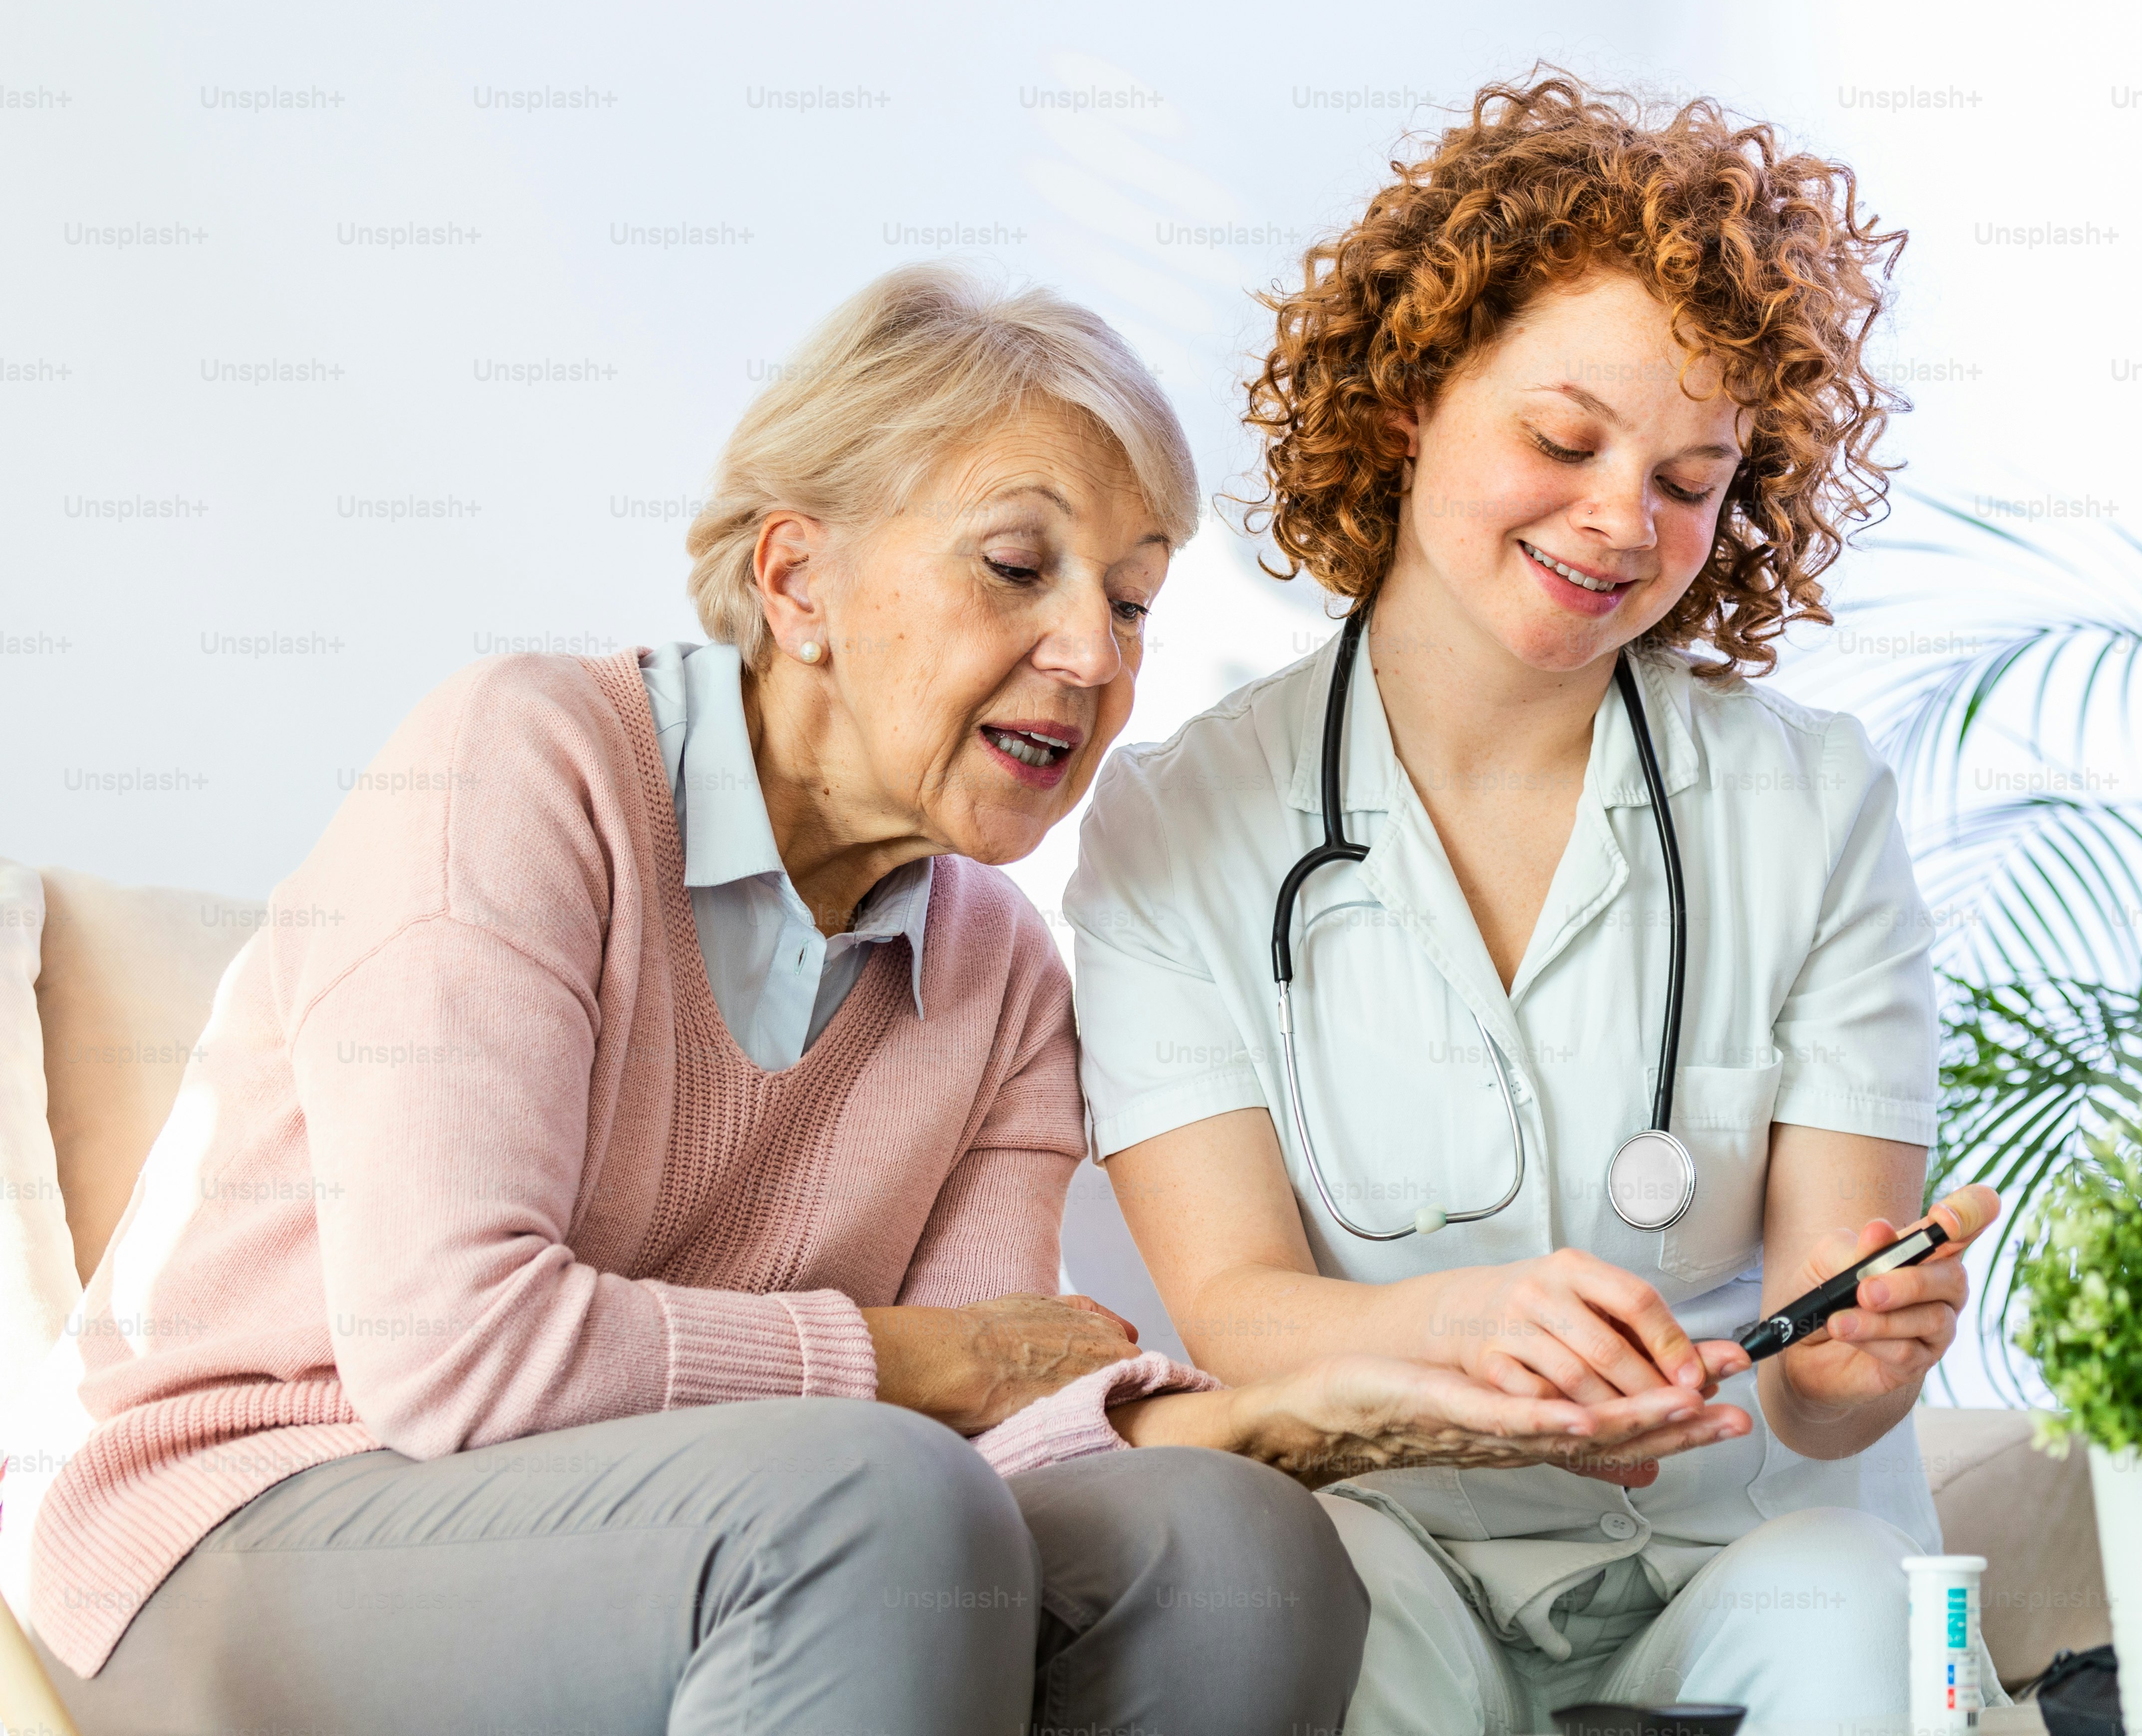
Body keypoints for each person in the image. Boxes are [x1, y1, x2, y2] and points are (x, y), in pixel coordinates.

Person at [7, 263, 1728, 1736]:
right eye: (1017, 567)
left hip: (699, 1527)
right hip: (257, 1533)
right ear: (795, 580)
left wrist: (1307, 1417)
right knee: (870, 1500)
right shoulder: (525, 764)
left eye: (1132, 600)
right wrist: (911, 1365)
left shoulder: (1001, 973)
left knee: (1234, 1555)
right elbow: (460, 1356)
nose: (1096, 655)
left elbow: (1016, 1426)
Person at [1066, 75, 2003, 1733]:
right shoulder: (1179, 825)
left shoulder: (1809, 807)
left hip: (1752, 1542)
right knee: (1320, 1630)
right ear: (1416, 393)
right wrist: (1469, 1320)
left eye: (1692, 478)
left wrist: (1858, 1365)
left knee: (1862, 1624)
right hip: (1395, 1533)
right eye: (1565, 440)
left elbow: (1824, 1381)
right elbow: (1234, 1307)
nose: (1620, 522)